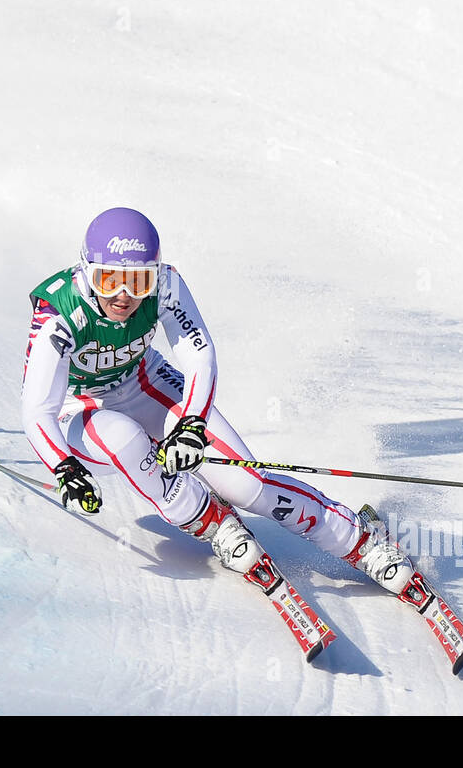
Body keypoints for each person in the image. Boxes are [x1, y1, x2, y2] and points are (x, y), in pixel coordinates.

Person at [21, 206, 418, 597]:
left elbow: (198, 354)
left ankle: (360, 540)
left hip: (146, 385)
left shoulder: (168, 285)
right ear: (87, 271)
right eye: (109, 280)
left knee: (247, 486)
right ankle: (213, 523)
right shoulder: (59, 314)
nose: (124, 297)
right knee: (123, 436)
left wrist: (191, 425)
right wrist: (64, 467)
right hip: (84, 413)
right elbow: (39, 410)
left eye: (138, 282)